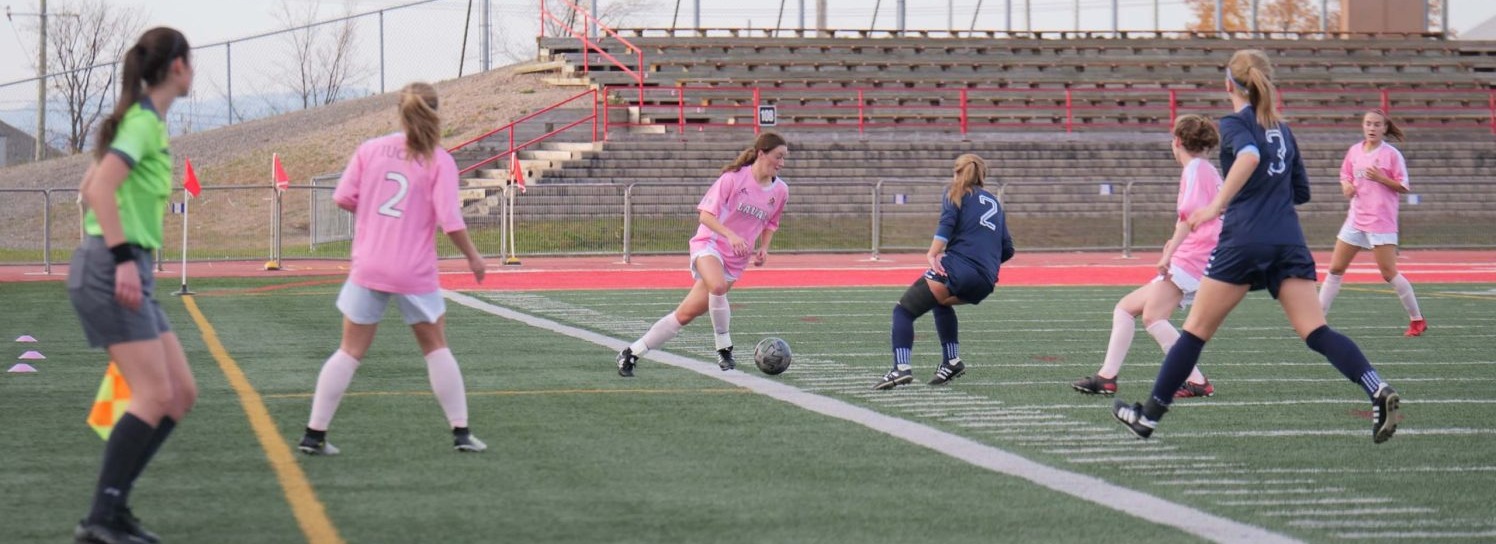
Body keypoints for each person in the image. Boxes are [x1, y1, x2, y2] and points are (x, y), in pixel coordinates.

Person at [1112, 49, 1401, 444]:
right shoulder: (1282, 128)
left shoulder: (1234, 123)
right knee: (1316, 331)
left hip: (1245, 238)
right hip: (1288, 240)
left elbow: (1248, 156)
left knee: (1194, 332)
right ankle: (1376, 387)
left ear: (1229, 83)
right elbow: (1301, 192)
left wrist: (1217, 204)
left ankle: (1148, 417)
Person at [297, 82, 489, 456]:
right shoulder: (438, 159)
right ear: (436, 112)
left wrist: (374, 217)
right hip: (413, 271)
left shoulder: (370, 150)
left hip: (369, 265)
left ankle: (313, 434)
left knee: (349, 351)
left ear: (399, 112)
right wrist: (474, 257)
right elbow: (450, 220)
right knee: (435, 347)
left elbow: (343, 197)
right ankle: (461, 432)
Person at [68, 27, 198, 544]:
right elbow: (98, 191)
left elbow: (85, 187)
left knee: (180, 393)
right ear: (178, 68)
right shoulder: (143, 123)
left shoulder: (143, 122)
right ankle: (102, 516)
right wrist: (122, 257)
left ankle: (112, 509)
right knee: (154, 393)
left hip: (127, 270)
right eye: (193, 63)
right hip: (112, 270)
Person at [616, 132, 789, 377]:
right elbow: (705, 216)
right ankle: (724, 348)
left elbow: (772, 223)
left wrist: (764, 248)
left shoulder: (780, 190)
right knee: (717, 287)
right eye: (778, 157)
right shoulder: (733, 179)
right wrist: (730, 235)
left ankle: (631, 352)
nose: (781, 163)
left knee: (684, 315)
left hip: (736, 258)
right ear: (762, 154)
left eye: (784, 158)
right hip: (710, 244)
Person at [1073, 115, 1222, 398]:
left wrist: (1170, 252)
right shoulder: (1207, 170)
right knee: (1125, 308)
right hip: (1201, 253)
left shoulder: (1195, 169)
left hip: (1195, 255)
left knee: (1154, 317)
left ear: (1177, 141)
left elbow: (1188, 216)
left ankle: (1196, 380)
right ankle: (1106, 377)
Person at [873, 154, 1014, 390]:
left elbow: (946, 224)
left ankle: (901, 368)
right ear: (982, 176)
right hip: (986, 281)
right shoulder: (994, 202)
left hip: (960, 269)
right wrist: (985, 263)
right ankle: (951, 361)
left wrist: (932, 253)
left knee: (903, 311)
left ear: (957, 172)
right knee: (941, 302)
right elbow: (1007, 249)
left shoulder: (956, 191)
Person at [1317, 109, 1426, 336]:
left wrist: (1381, 178)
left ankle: (1417, 319)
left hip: (1381, 221)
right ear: (1363, 126)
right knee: (1335, 269)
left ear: (1384, 128)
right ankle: (1316, 320)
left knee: (1388, 273)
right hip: (1355, 220)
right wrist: (1346, 186)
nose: (1372, 128)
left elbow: (1404, 186)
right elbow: (1345, 175)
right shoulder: (1354, 151)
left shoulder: (1391, 155)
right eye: (1368, 124)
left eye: (1377, 124)